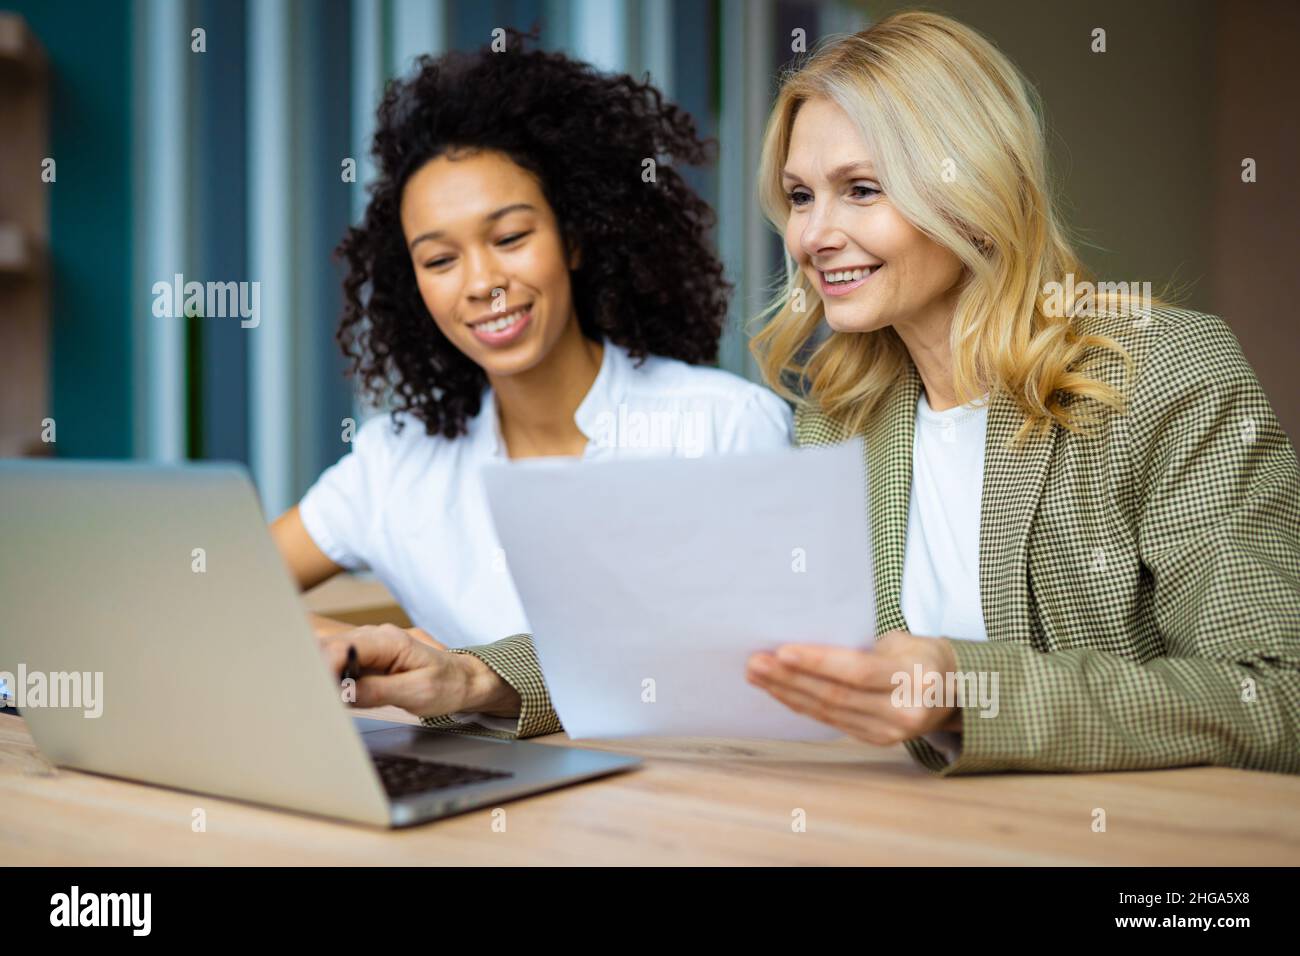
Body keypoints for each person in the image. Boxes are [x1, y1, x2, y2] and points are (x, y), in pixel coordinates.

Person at [742, 11, 1300, 774]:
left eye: (862, 189)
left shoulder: (1165, 373)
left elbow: (1276, 695)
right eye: (800, 196)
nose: (814, 236)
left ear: (968, 189)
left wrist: (966, 689)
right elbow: (733, 629)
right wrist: (521, 681)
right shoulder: (839, 419)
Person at [272, 33, 791, 735]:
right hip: (471, 816)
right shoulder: (395, 462)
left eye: (511, 237)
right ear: (413, 285)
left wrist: (470, 672)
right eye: (440, 259)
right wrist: (353, 646)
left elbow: (743, 671)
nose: (483, 282)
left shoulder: (725, 427)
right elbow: (211, 583)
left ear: (573, 239)